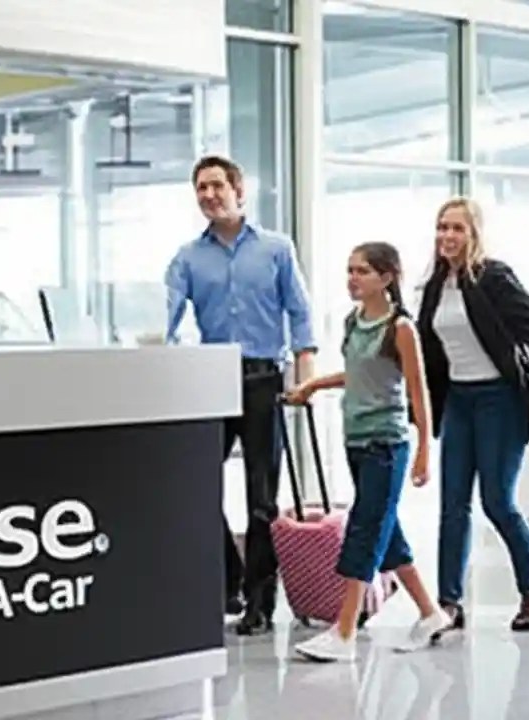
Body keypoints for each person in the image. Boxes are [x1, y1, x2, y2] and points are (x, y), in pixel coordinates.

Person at [165, 155, 317, 636]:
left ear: (238, 190)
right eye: (201, 188)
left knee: (261, 497)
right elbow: (167, 316)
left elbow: (300, 312)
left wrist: (304, 377)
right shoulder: (188, 258)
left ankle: (260, 602)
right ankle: (229, 579)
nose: (209, 195)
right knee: (194, 486)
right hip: (211, 380)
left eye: (216, 185)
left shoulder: (276, 248)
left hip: (263, 379)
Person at [285, 242, 451, 662]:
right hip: (356, 441)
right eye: (350, 270)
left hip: (386, 444)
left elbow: (418, 391)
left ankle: (344, 631)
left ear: (386, 277)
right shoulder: (353, 322)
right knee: (385, 531)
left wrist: (424, 451)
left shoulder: (401, 328)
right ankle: (430, 613)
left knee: (364, 529)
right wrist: (314, 385)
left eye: (362, 271)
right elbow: (358, 373)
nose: (352, 278)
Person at [415, 197, 529, 637]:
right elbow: (426, 349)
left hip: (501, 399)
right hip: (459, 400)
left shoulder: (493, 277)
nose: (447, 236)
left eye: (457, 228)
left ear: (473, 234)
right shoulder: (435, 286)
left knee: (497, 500)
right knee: (453, 503)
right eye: (442, 227)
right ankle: (449, 602)